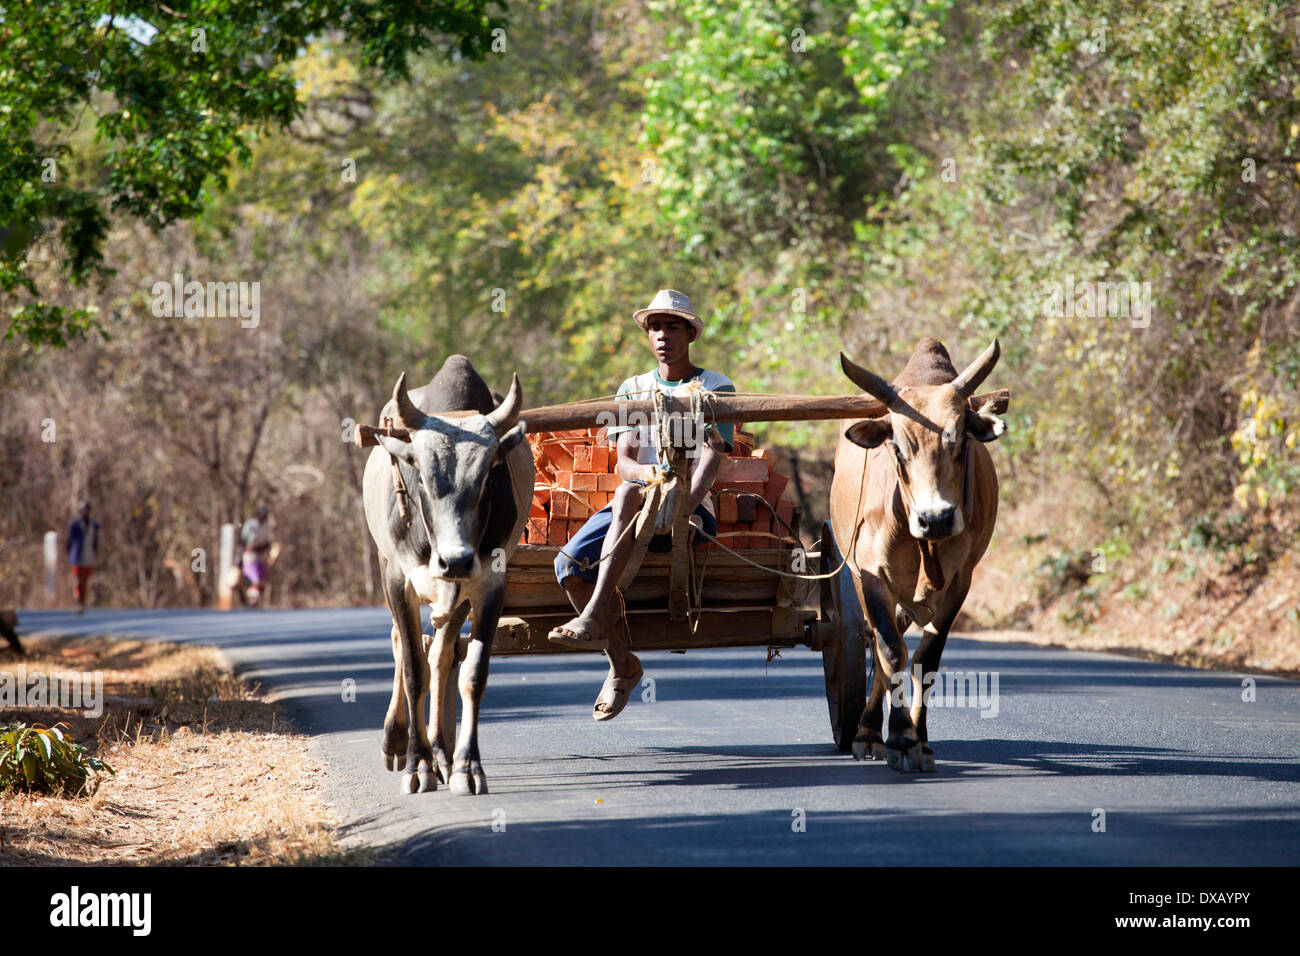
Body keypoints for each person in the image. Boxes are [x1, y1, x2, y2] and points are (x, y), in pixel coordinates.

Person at [548, 289, 735, 720]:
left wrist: (683, 502)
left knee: (626, 495)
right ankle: (622, 663)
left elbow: (713, 454)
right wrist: (649, 479)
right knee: (567, 566)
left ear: (691, 333)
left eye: (672, 326)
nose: (663, 335)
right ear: (647, 336)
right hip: (636, 503)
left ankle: (593, 616)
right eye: (655, 327)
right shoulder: (633, 389)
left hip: (691, 511)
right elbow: (626, 461)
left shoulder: (715, 387)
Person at [66, 500, 101, 615]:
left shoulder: (94, 525)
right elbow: (69, 542)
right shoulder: (74, 525)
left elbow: (95, 542)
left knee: (84, 581)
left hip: (89, 556)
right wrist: (69, 554)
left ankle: (81, 602)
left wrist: (96, 554)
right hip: (77, 557)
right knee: (78, 580)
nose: (84, 512)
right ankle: (78, 601)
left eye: (86, 510)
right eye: (82, 510)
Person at [240, 505, 272, 607]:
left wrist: (264, 548)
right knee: (254, 578)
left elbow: (268, 542)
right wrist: (247, 549)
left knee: (262, 580)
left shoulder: (267, 527)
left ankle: (256, 601)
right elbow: (243, 540)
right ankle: (252, 600)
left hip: (262, 555)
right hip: (250, 556)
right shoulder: (250, 525)